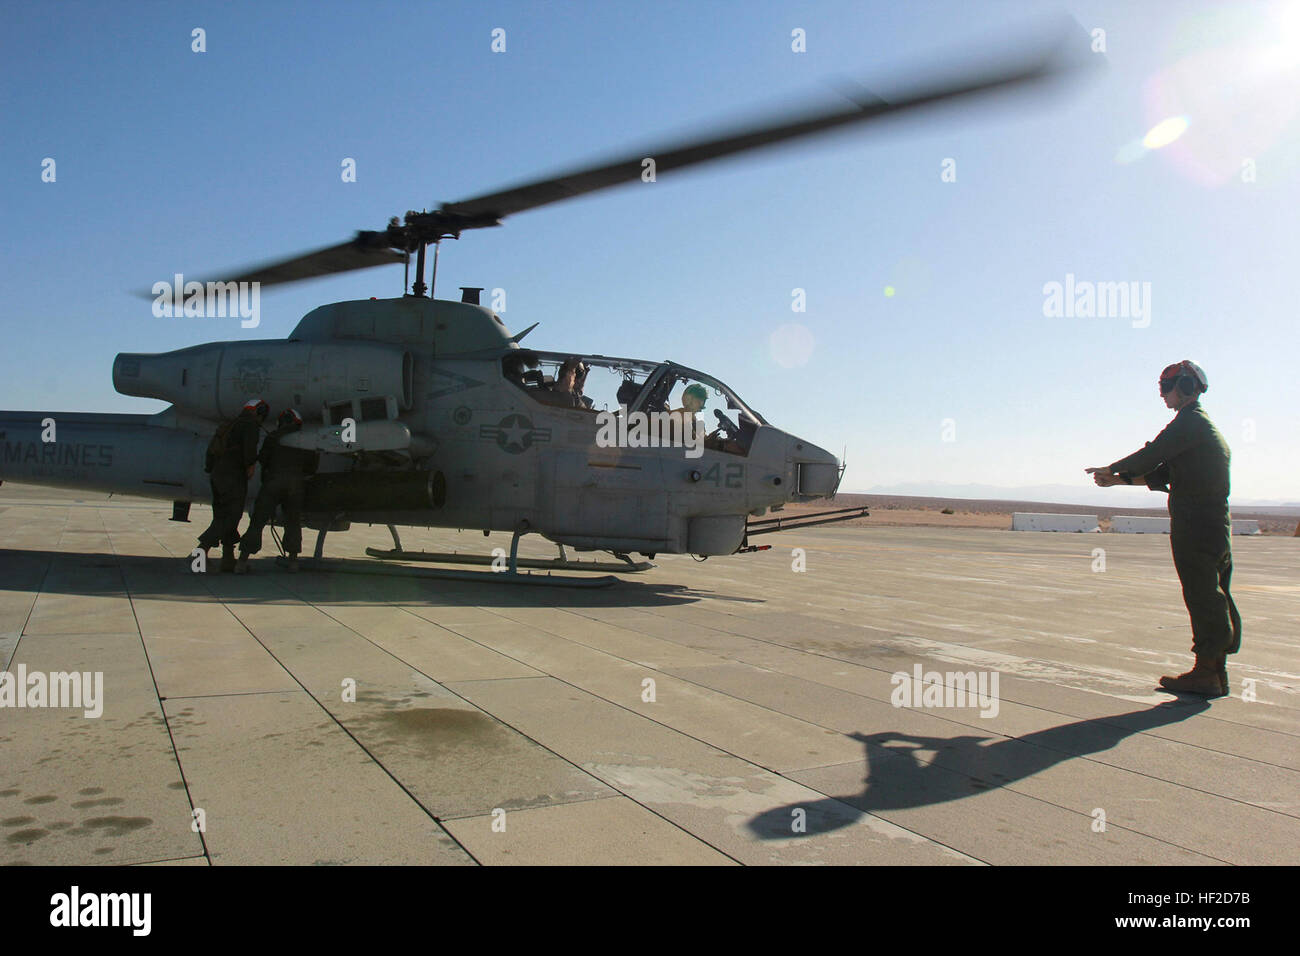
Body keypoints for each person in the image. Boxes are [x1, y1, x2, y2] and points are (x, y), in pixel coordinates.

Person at [1086, 360, 1241, 697]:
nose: (1163, 394)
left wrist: (1112, 468)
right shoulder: (1200, 428)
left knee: (1202, 596)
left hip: (1196, 525)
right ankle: (1215, 671)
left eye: (1167, 386)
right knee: (1213, 595)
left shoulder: (1189, 424)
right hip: (1213, 524)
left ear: (1187, 387)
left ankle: (1207, 674)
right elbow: (1163, 474)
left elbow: (1153, 455)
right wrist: (1117, 480)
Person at [235, 408, 318, 573]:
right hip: (295, 485)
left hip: (273, 482)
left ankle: (242, 561)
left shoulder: (272, 437)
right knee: (293, 522)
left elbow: (263, 460)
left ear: (281, 422)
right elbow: (312, 467)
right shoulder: (306, 440)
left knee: (258, 522)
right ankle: (293, 561)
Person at [197, 399, 268, 572]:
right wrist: (250, 466)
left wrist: (213, 470)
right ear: (259, 412)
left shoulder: (229, 425)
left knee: (223, 515)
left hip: (218, 475)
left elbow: (211, 451)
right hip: (233, 476)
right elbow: (249, 450)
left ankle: (228, 559)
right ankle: (198, 555)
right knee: (231, 516)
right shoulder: (250, 425)